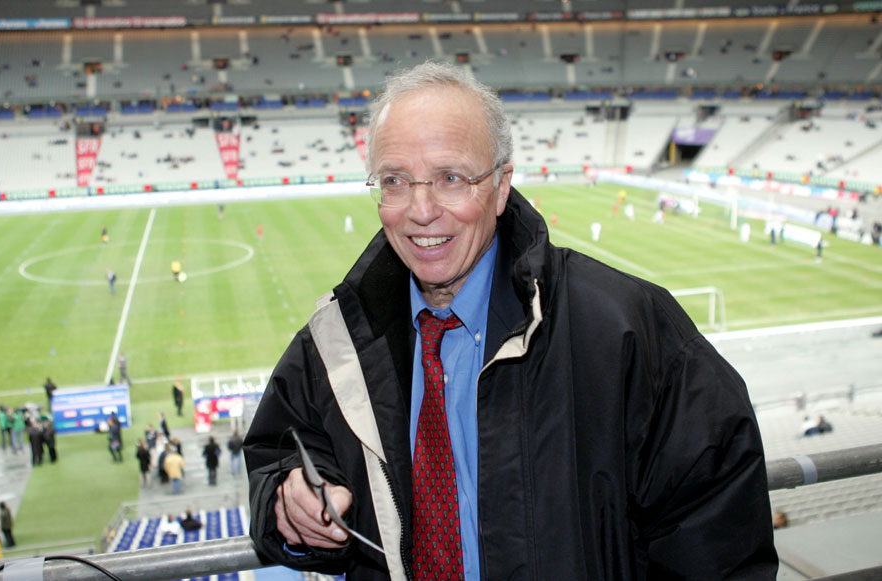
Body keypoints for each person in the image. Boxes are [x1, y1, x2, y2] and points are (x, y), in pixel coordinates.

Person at [243, 62, 777, 580]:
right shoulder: (337, 340)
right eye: (396, 180)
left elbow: (716, 533)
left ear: (501, 187)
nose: (420, 209)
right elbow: (278, 452)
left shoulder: (626, 327)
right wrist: (291, 504)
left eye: (450, 178)